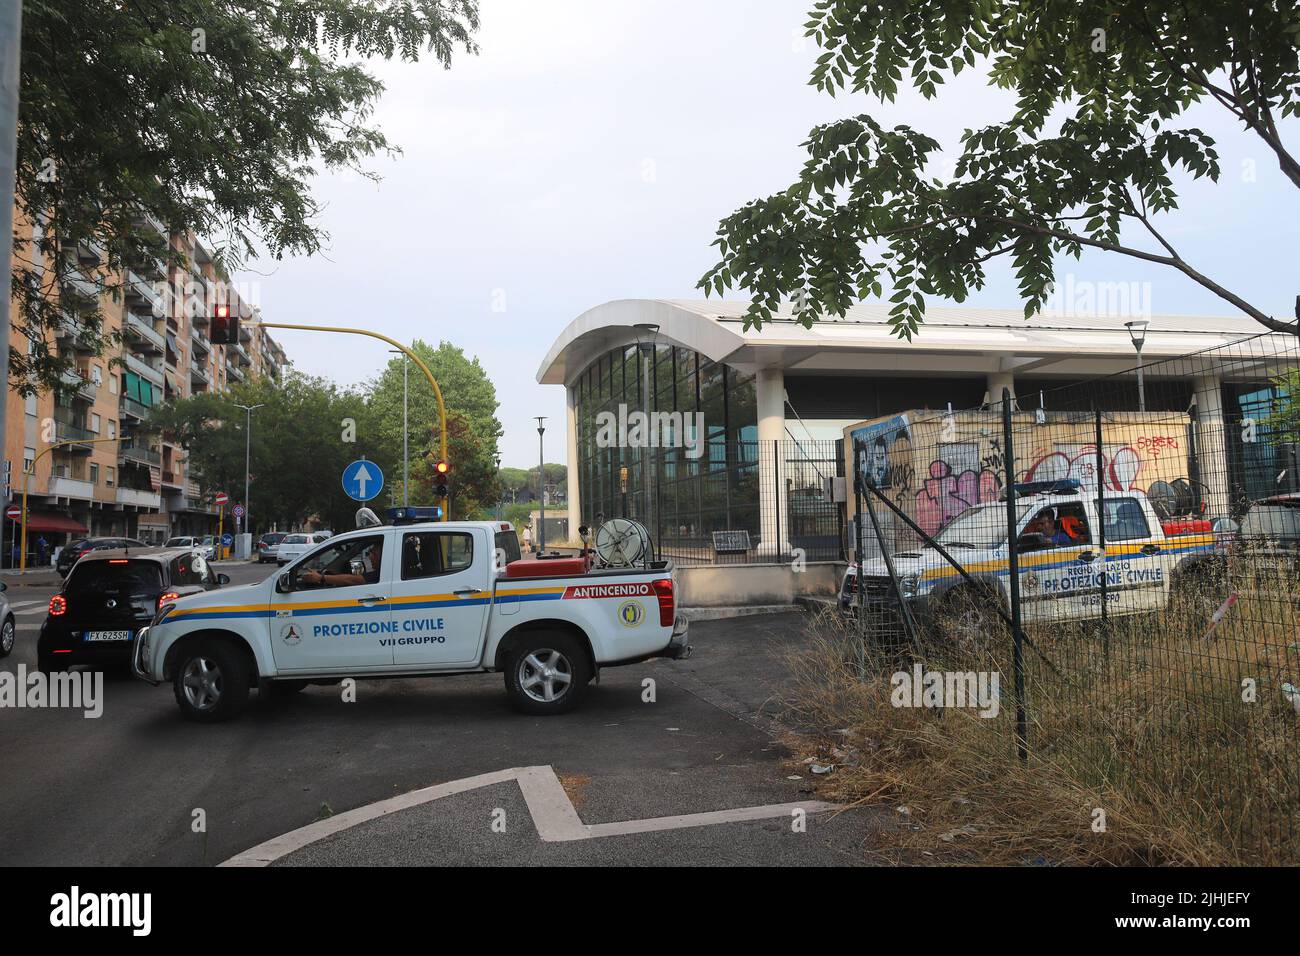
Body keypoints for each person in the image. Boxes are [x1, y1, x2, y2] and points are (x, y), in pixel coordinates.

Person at [299, 538, 382, 588]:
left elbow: (355, 580)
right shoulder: (384, 573)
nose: (370, 557)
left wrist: (321, 578)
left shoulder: (381, 574)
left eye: (374, 554)